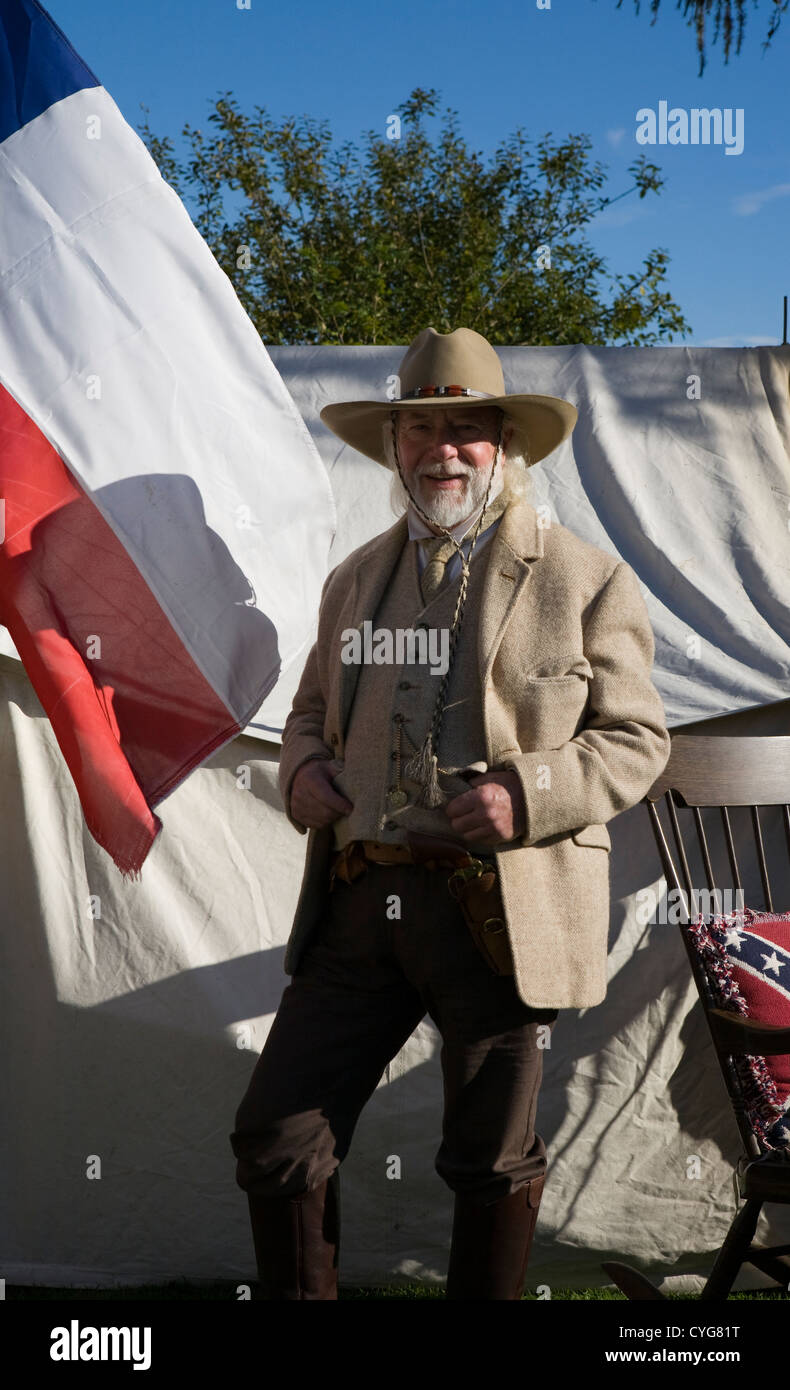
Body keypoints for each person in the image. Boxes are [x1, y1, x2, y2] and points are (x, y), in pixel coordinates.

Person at [229, 326, 671, 1300]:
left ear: (503, 444)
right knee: (276, 1135)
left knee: (489, 1159)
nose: (443, 448)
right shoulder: (353, 581)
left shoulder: (583, 576)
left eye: (465, 426)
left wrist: (527, 792)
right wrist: (301, 770)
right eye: (421, 426)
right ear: (394, 448)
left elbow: (637, 740)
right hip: (359, 898)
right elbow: (308, 714)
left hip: (497, 908)